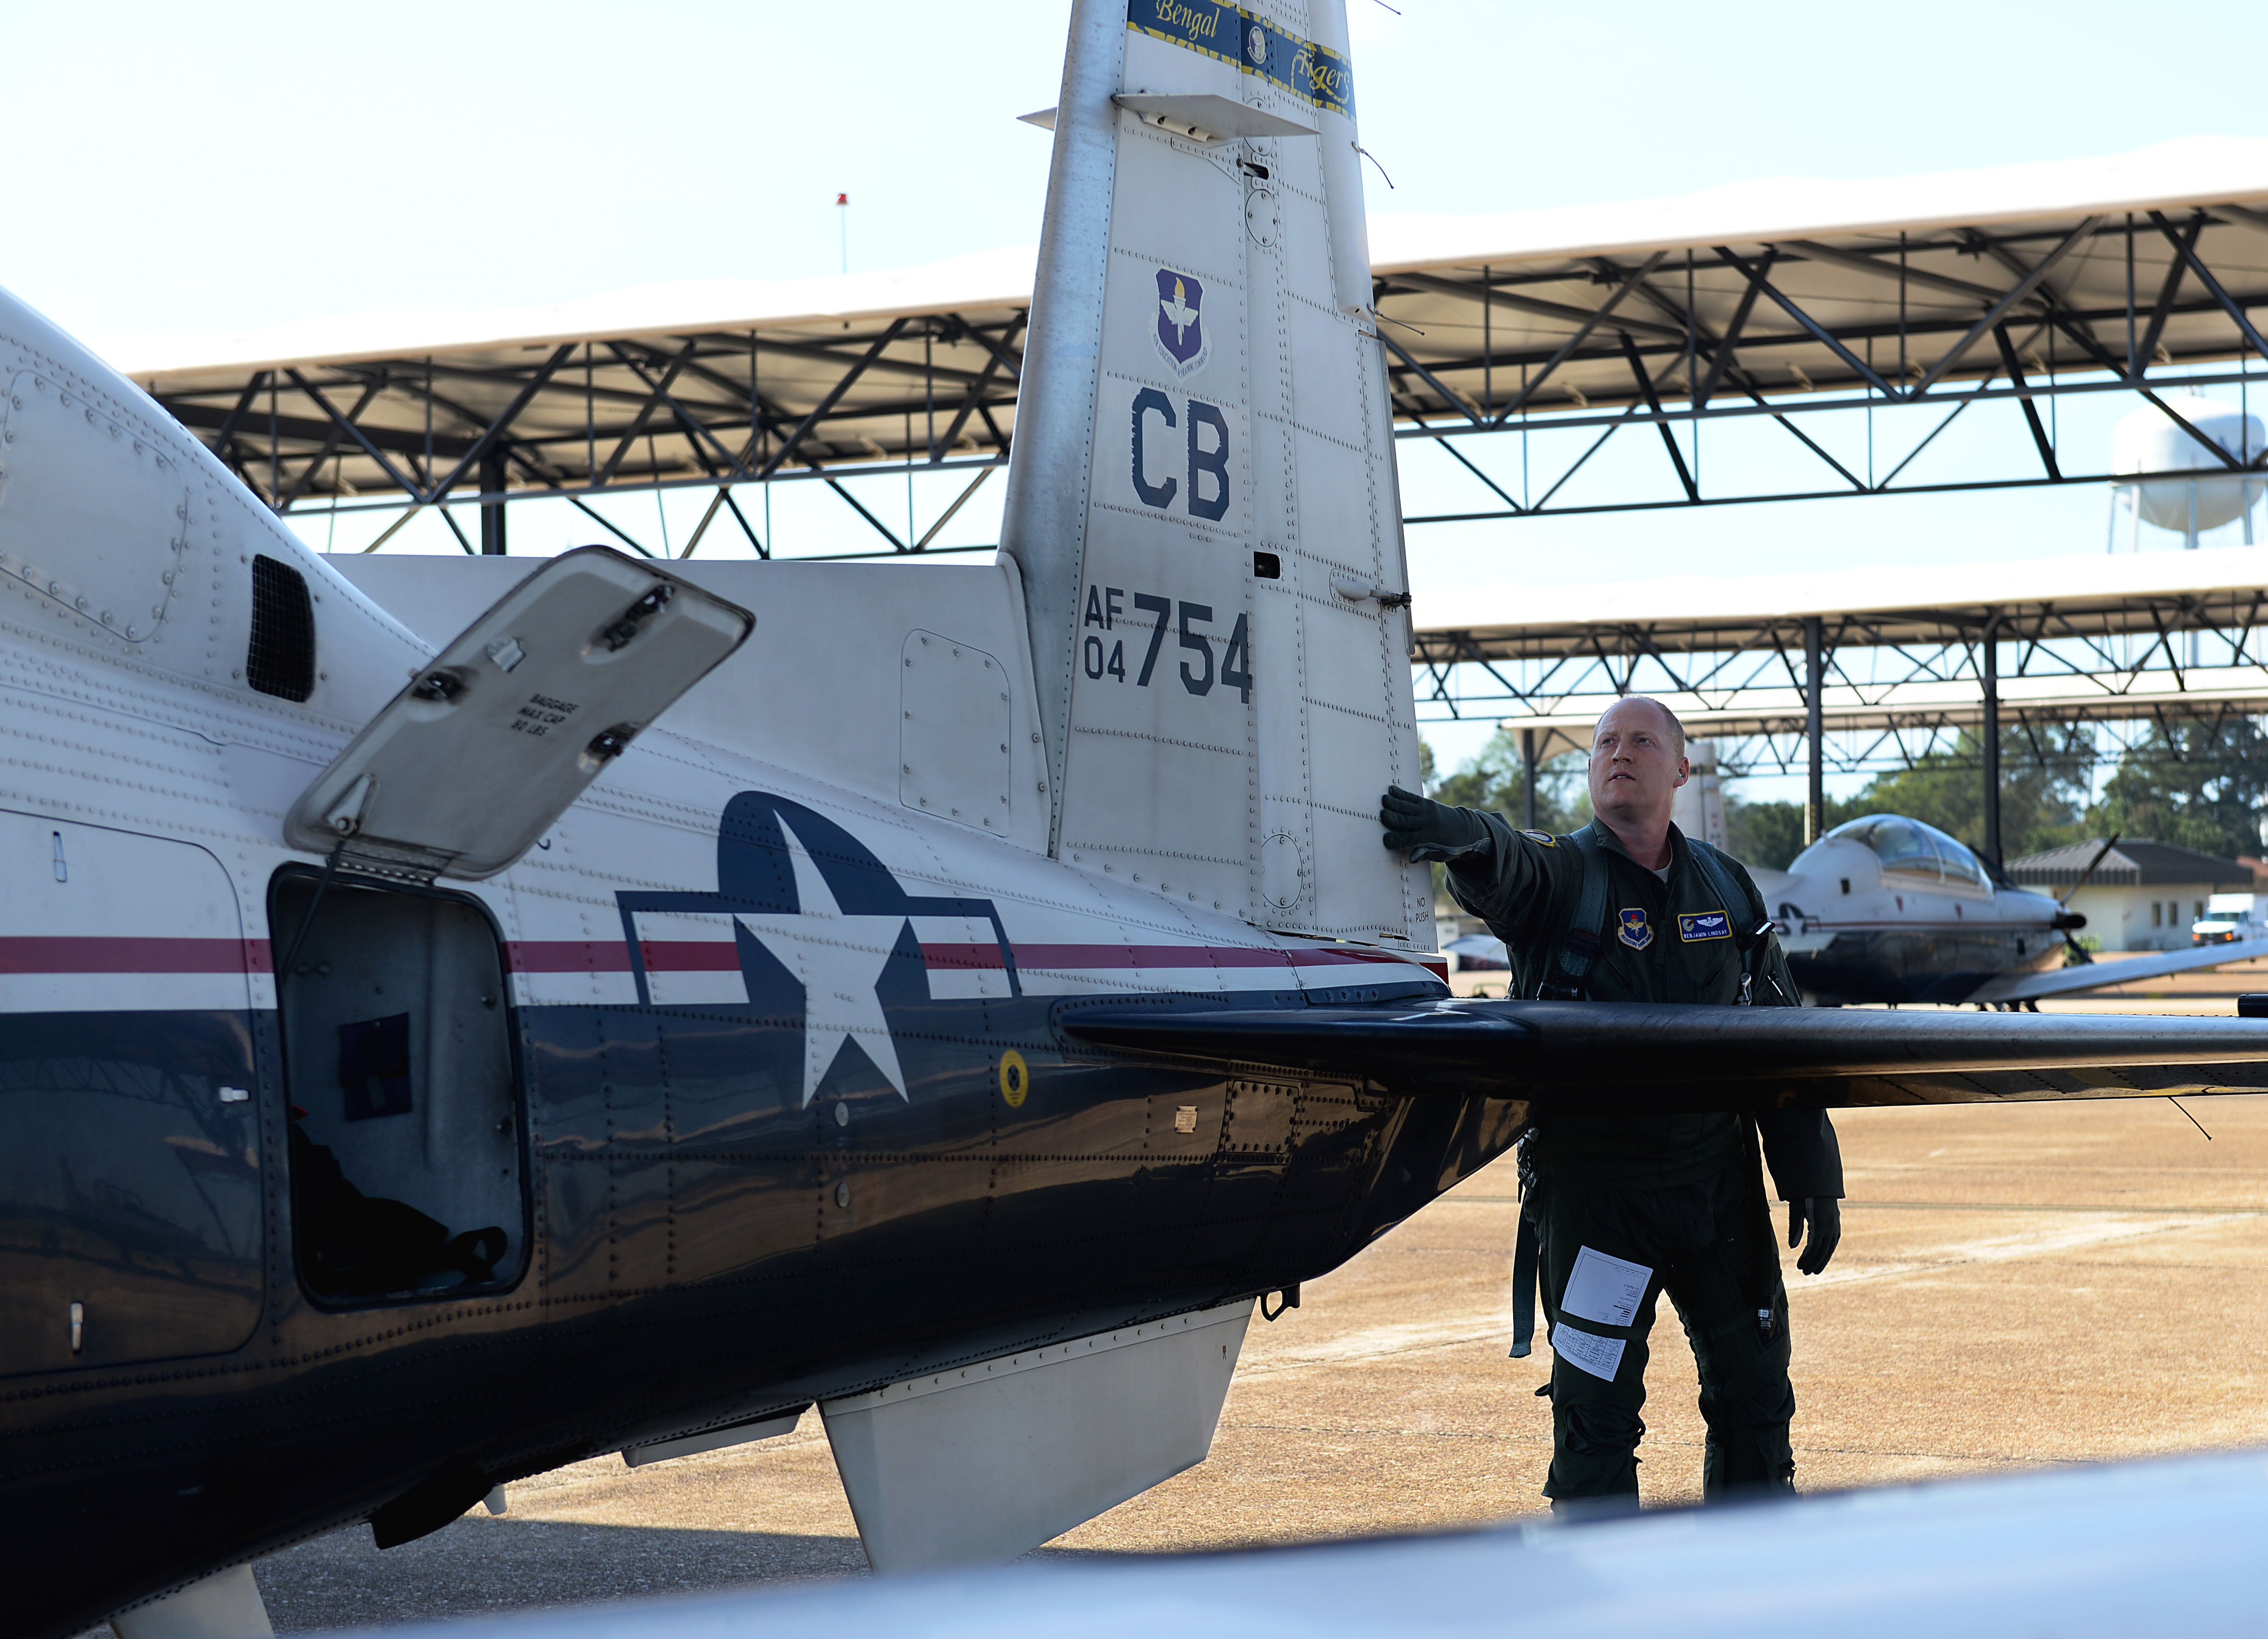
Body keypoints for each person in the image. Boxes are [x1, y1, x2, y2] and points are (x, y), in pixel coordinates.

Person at [1380, 695, 1843, 1513]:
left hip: (1717, 1199)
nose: (1618, 754)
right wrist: (1471, 840)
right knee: (1594, 1418)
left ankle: (1761, 1588)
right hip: (1598, 1207)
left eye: (1640, 741)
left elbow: (1777, 1034)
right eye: (1603, 744)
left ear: (1681, 770)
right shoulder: (1566, 875)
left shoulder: (1729, 891)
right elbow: (1511, 864)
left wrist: (1810, 1171)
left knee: (1757, 1401)